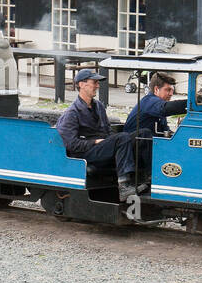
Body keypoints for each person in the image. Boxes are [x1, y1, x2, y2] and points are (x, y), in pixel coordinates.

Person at [55, 69, 153, 202]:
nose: (97, 85)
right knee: (122, 137)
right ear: (82, 85)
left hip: (102, 147)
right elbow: (71, 144)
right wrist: (95, 142)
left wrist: (110, 141)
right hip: (86, 152)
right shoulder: (71, 113)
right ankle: (124, 186)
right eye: (94, 82)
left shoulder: (99, 106)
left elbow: (108, 131)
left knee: (143, 133)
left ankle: (147, 178)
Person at [124, 72, 190, 137]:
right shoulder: (149, 101)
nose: (171, 94)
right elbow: (165, 109)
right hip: (136, 145)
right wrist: (191, 103)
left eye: (172, 90)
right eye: (168, 90)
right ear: (156, 89)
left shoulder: (158, 104)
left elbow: (164, 130)